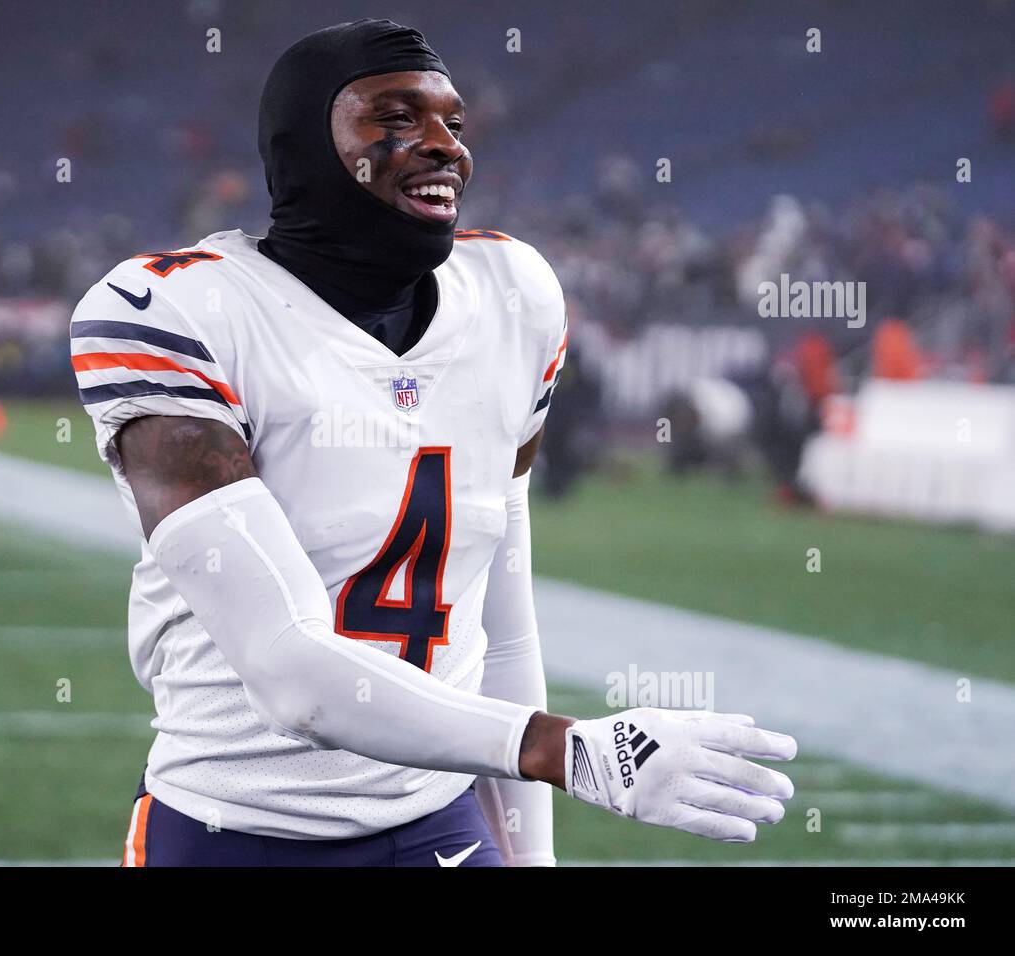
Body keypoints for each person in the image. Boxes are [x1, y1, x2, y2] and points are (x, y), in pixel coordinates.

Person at [71, 19, 796, 867]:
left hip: (436, 825)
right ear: (306, 145)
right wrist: (569, 750)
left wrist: (530, 858)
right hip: (235, 827)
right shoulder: (178, 311)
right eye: (396, 117)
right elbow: (290, 670)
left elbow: (501, 620)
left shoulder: (513, 295)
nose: (443, 145)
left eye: (454, 121)